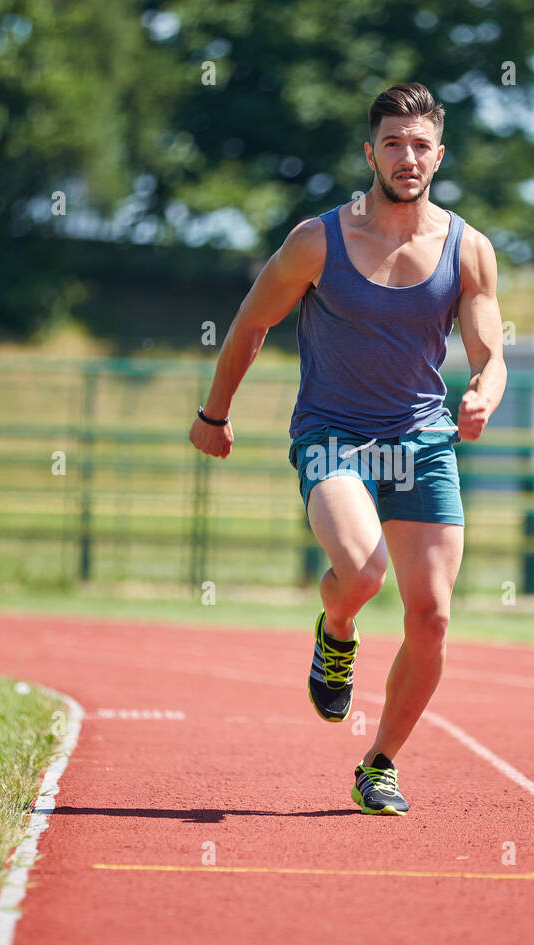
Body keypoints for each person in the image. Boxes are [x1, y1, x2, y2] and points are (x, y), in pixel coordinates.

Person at [189, 82, 506, 815]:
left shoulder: (469, 249)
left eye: (421, 144)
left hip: (422, 444)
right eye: (393, 143)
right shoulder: (317, 240)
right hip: (334, 437)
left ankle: (380, 763)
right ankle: (336, 633)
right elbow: (249, 323)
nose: (408, 156)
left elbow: (491, 352)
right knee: (361, 574)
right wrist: (215, 412)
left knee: (432, 618)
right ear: (371, 153)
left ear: (439, 155)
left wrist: (486, 390)